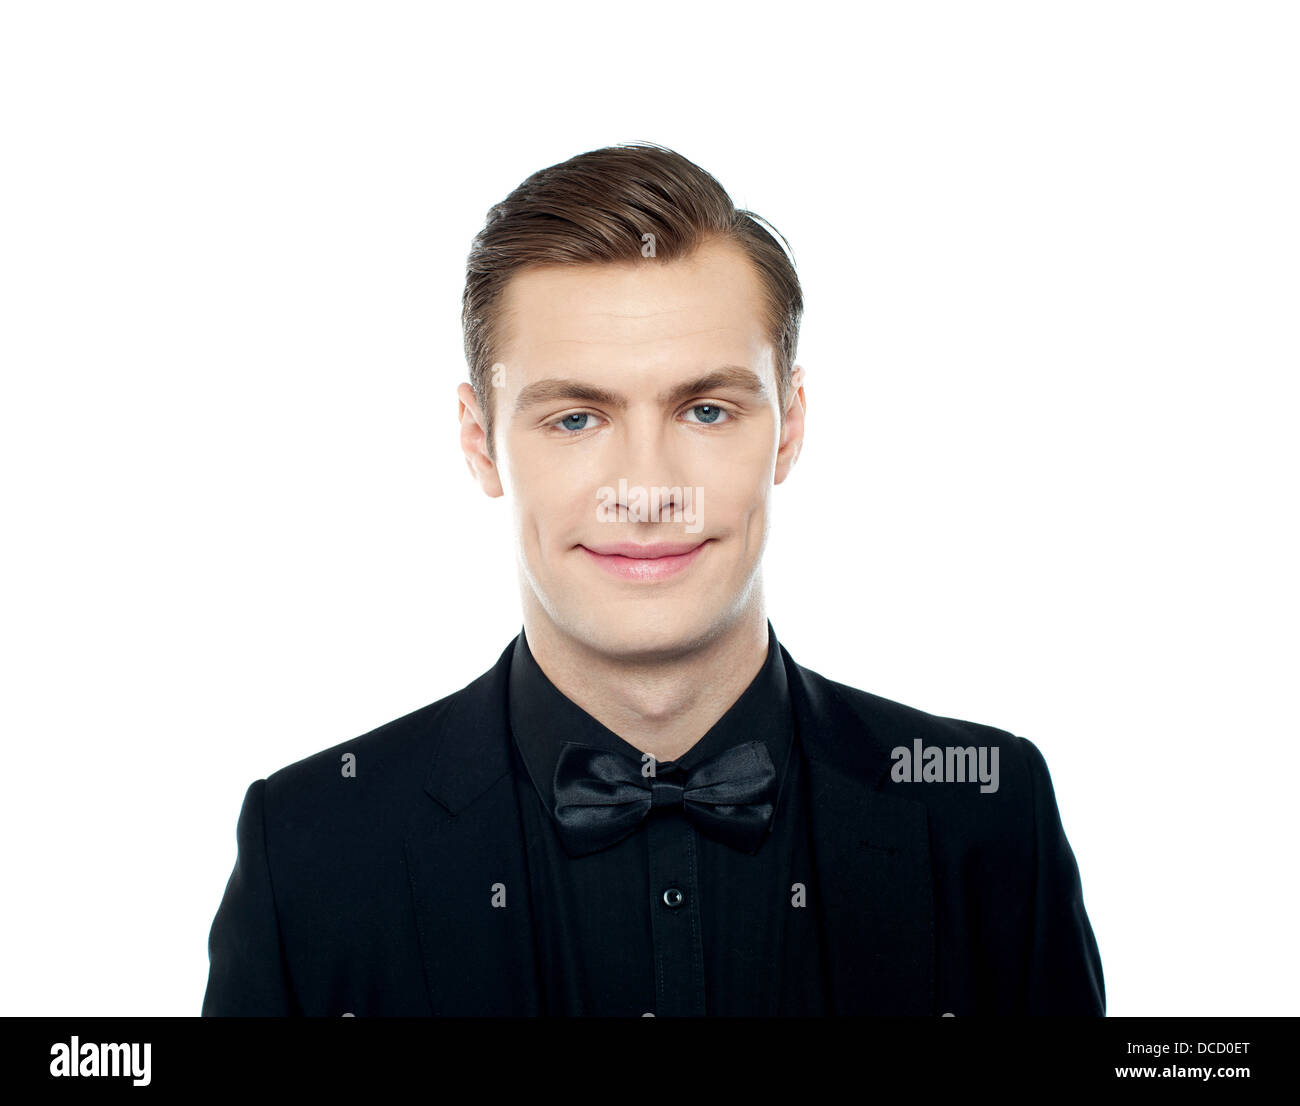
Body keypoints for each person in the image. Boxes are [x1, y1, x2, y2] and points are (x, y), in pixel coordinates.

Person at [202, 142, 1105, 1016]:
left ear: (789, 427)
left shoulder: (988, 816)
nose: (648, 491)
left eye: (706, 409)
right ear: (480, 441)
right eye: (575, 419)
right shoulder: (311, 850)